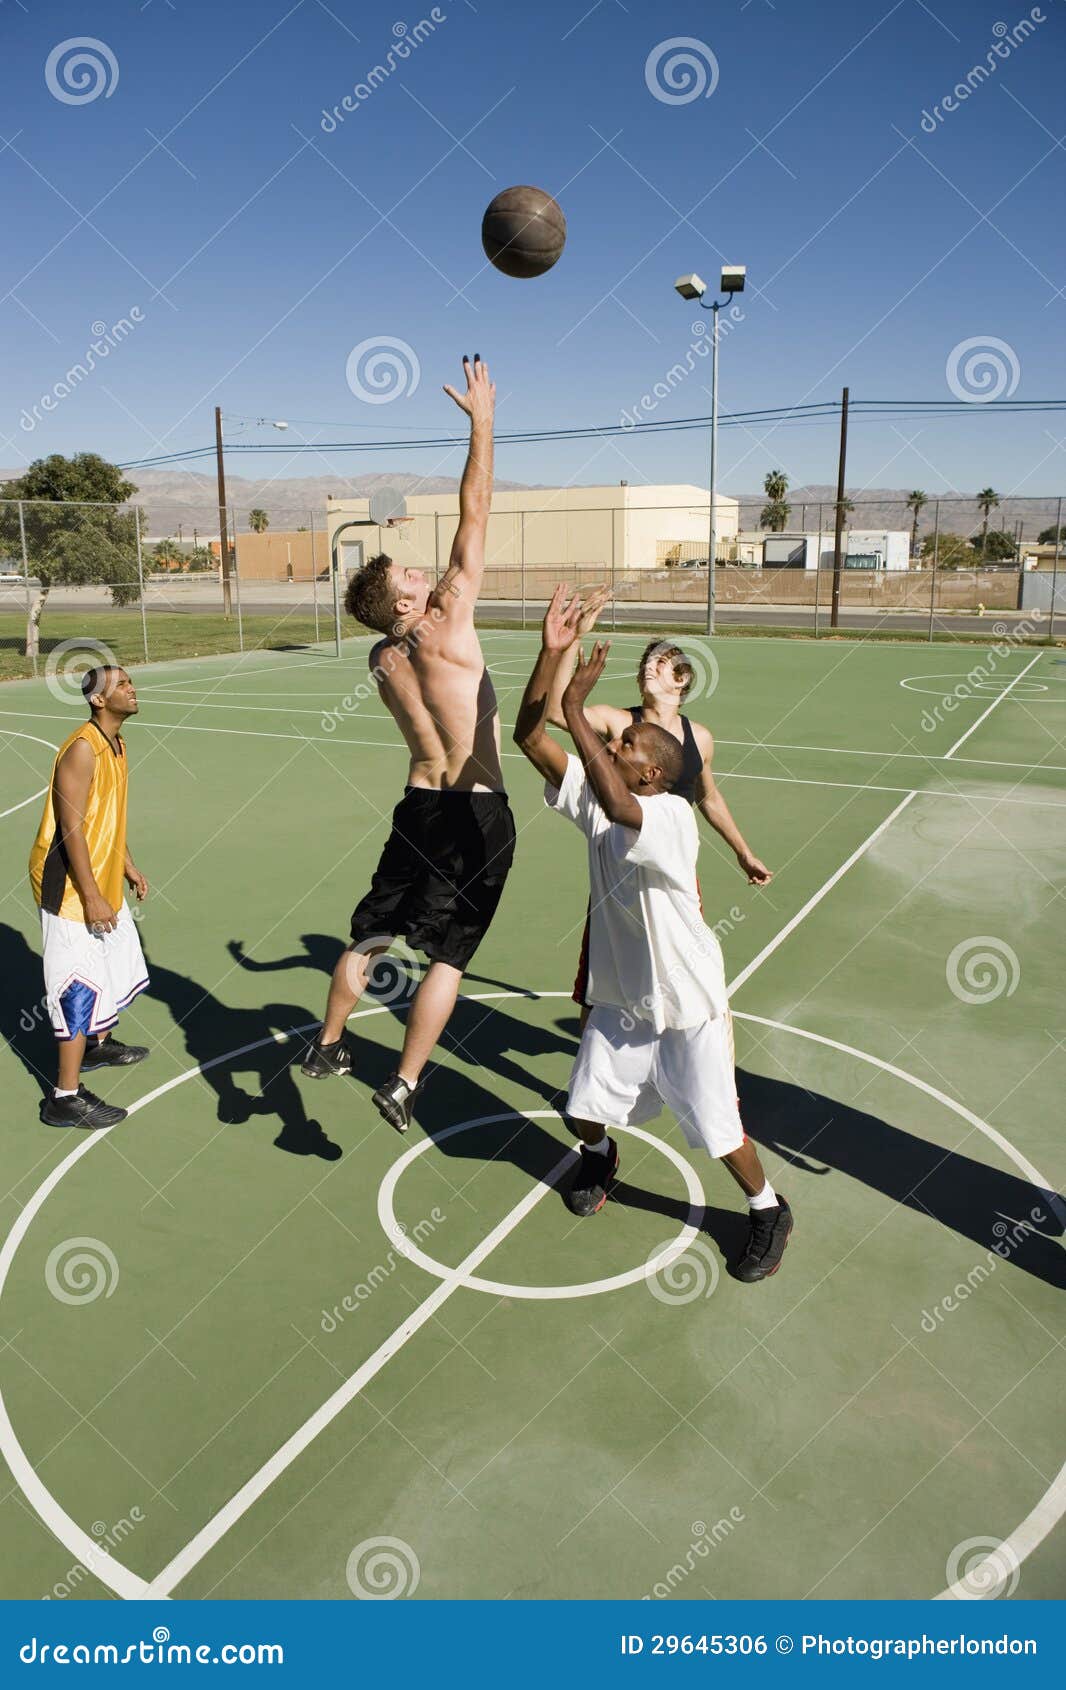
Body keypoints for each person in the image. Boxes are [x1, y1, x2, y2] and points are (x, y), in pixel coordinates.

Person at [512, 588, 792, 1283]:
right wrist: (551, 654)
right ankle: (601, 1157)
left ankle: (767, 1208)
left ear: (654, 773)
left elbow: (611, 793)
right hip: (622, 997)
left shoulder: (667, 817)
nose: (615, 743)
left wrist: (576, 707)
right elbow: (528, 738)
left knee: (718, 1128)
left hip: (687, 1000)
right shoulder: (605, 800)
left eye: (626, 744)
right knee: (582, 1110)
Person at [301, 355, 517, 1133]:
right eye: (409, 570)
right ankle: (403, 1082)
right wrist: (482, 422)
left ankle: (328, 1045)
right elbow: (478, 507)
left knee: (371, 933)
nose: (425, 568)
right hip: (475, 810)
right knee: (449, 957)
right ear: (404, 597)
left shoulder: (380, 657)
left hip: (416, 806)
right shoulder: (448, 615)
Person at [545, 594, 772, 1016]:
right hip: (619, 865)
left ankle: (695, 1056)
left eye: (662, 661)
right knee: (599, 982)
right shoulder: (620, 722)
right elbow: (560, 712)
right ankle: (590, 1071)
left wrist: (744, 851)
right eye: (647, 662)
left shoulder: (698, 737)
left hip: (671, 871)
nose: (650, 664)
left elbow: (709, 796)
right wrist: (575, 637)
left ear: (682, 678)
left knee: (689, 969)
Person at [28, 665, 150, 1129]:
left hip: (100, 878)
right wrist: (93, 895)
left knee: (114, 965)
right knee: (77, 986)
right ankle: (64, 1097)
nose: (131, 688)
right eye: (121, 684)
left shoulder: (116, 744)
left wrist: (126, 863)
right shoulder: (82, 748)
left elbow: (106, 818)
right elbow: (72, 827)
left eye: (129, 681)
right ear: (99, 700)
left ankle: (97, 1045)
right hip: (71, 889)